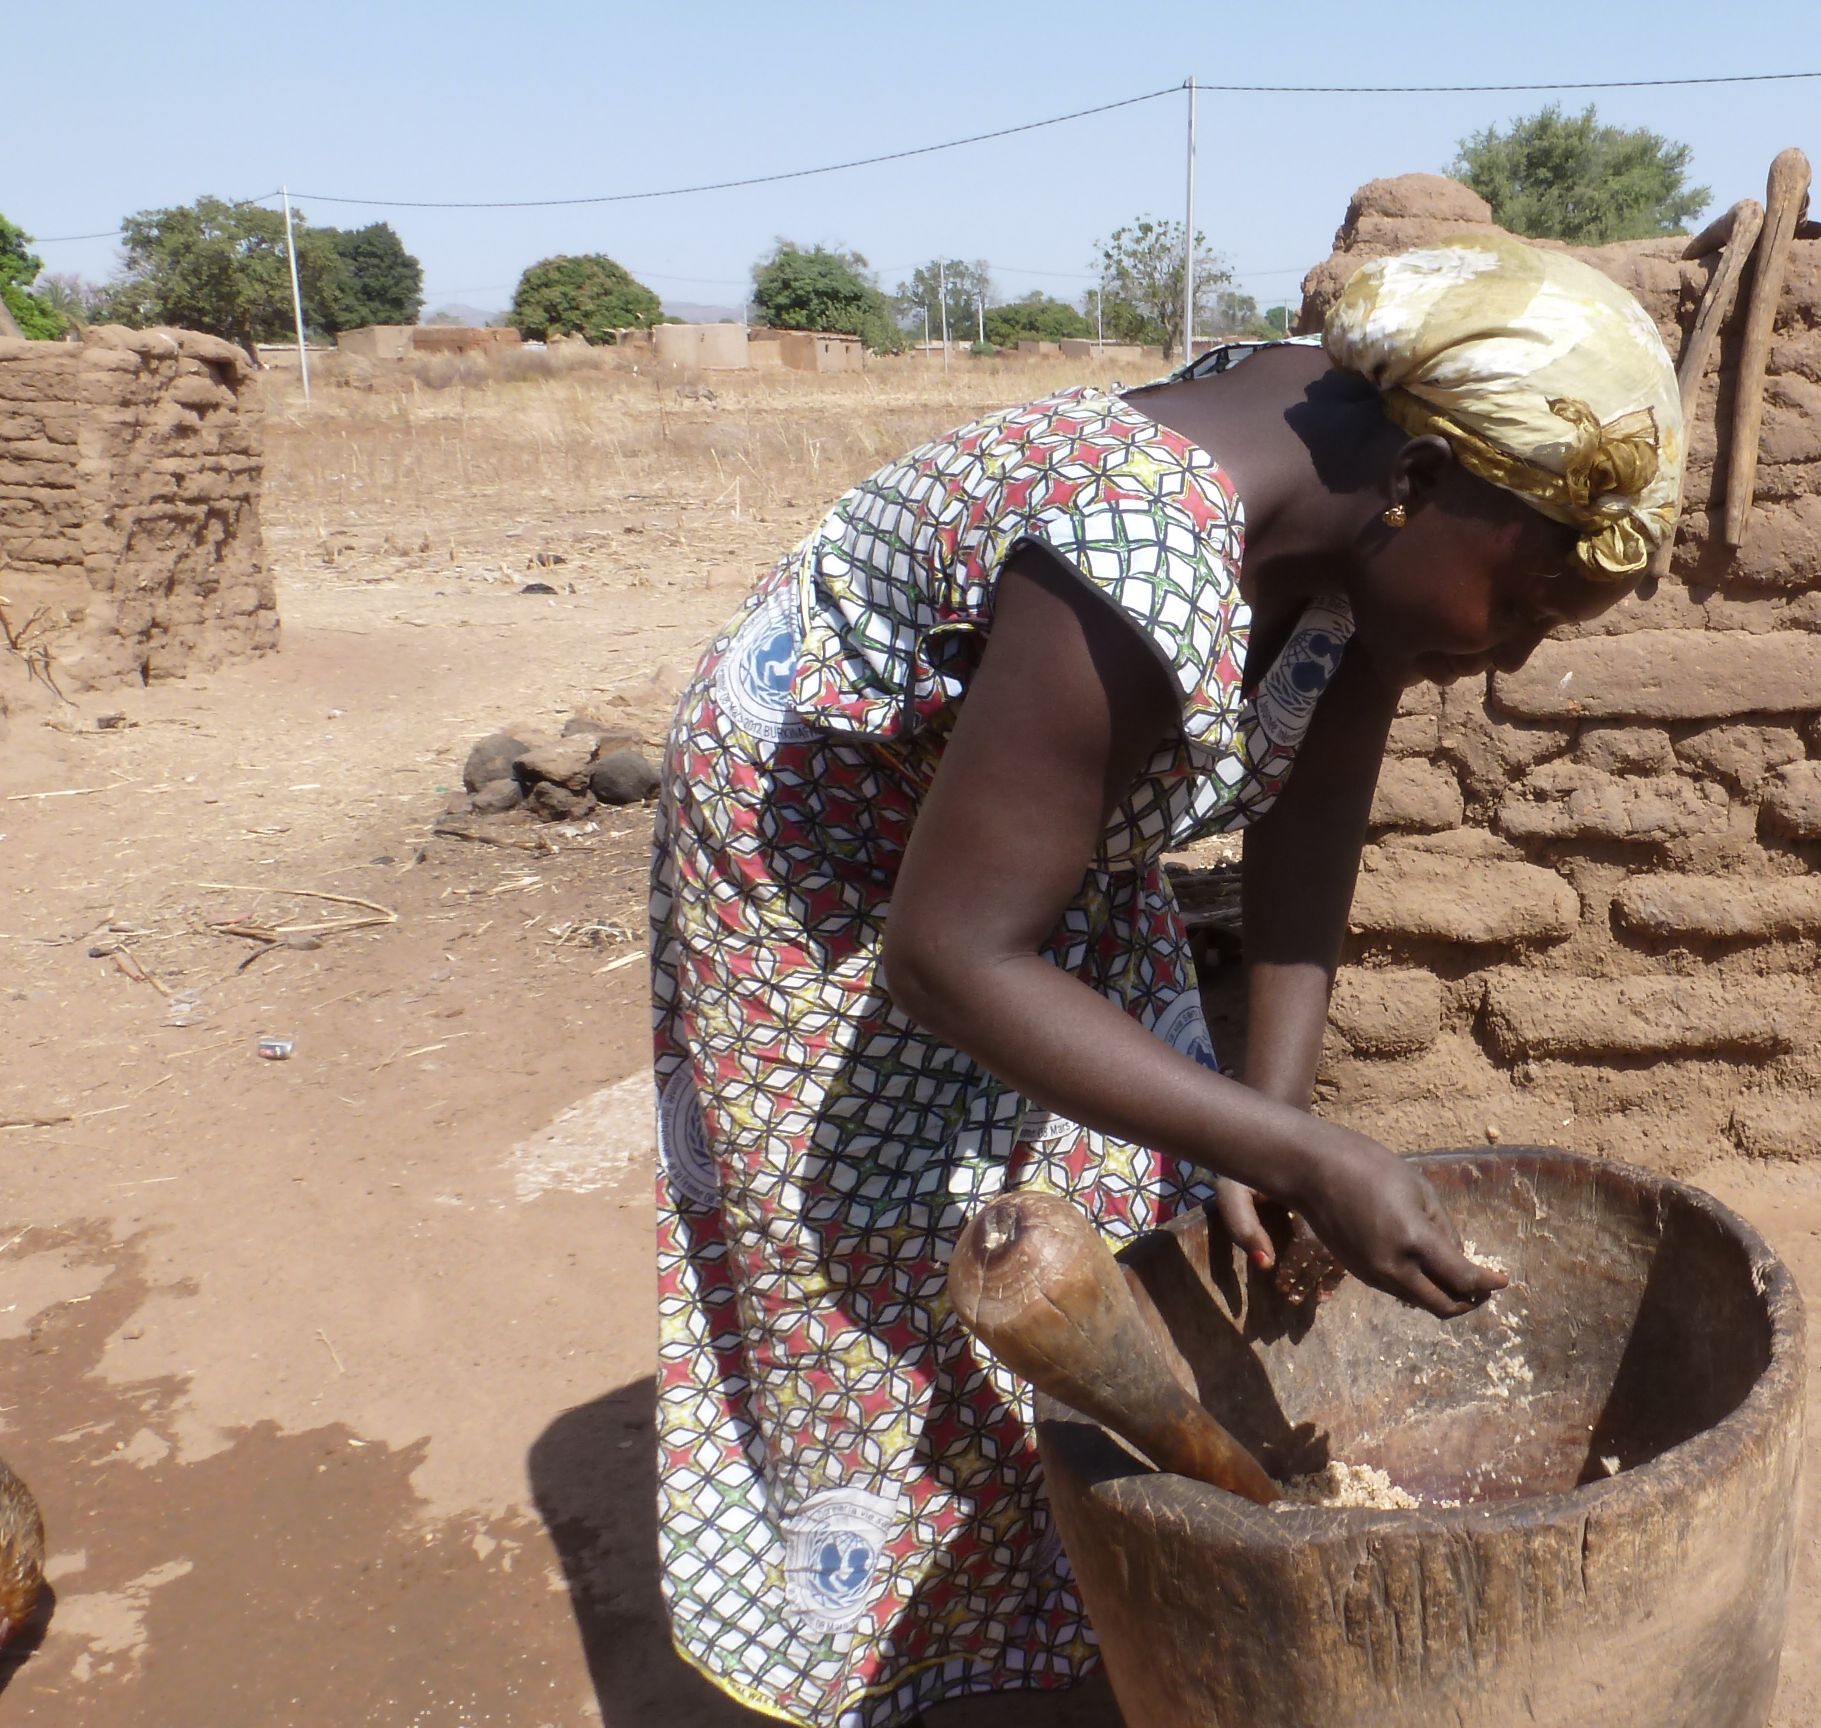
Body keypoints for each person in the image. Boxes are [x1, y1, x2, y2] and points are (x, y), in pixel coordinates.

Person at [646, 233, 1683, 1728]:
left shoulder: (1356, 514)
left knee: (1126, 1225)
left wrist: (1265, 1114)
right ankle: (901, 1665)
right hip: (825, 854)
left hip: (1049, 827)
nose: (1510, 652)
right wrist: (1301, 1150)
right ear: (1432, 482)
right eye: (1520, 602)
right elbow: (949, 956)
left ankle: (1075, 1610)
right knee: (896, 1268)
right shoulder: (1137, 548)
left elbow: (1310, 819)